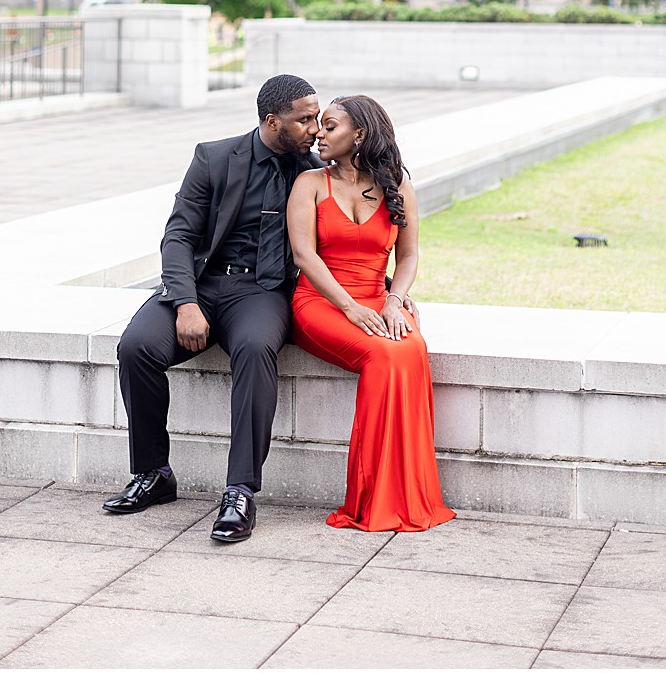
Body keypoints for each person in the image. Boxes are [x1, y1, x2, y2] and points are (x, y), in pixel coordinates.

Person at [104, 74, 322, 543]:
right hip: (201, 285)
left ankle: (239, 491)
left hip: (263, 293)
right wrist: (184, 302)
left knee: (255, 349)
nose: (314, 127)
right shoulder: (215, 157)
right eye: (304, 119)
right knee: (136, 347)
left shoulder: (316, 170)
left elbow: (353, 236)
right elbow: (178, 235)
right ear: (272, 121)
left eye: (316, 117)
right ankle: (154, 474)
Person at [287, 93, 455, 533]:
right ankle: (370, 500)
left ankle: (409, 496)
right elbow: (305, 256)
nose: (318, 135)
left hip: (379, 301)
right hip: (321, 303)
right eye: (318, 125)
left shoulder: (396, 185)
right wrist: (351, 308)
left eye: (330, 126)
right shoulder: (310, 184)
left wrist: (394, 301)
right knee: (383, 355)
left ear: (359, 134)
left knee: (410, 349)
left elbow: (410, 256)